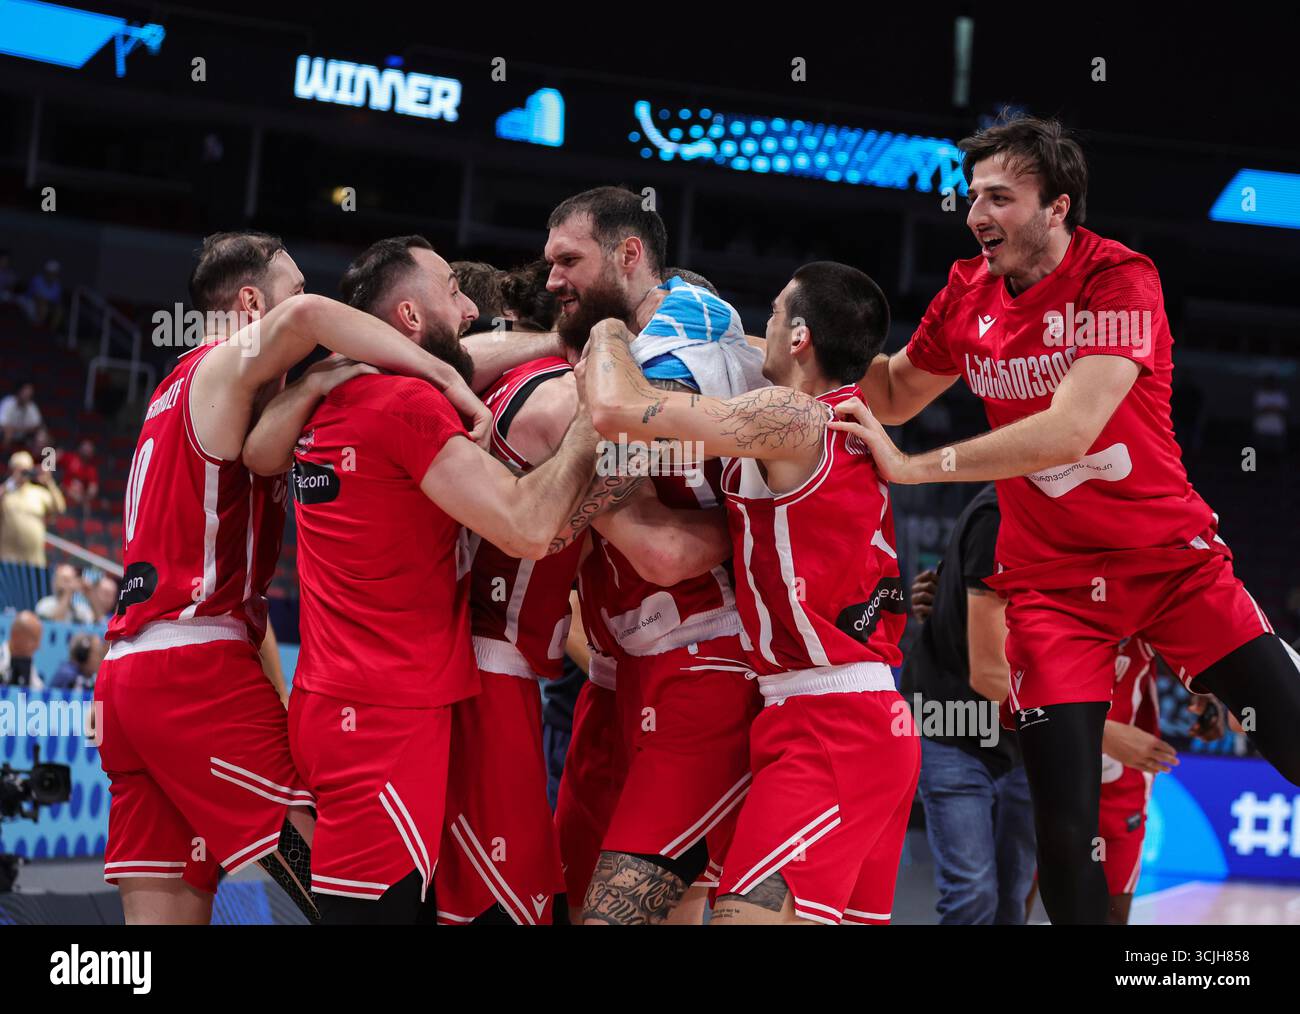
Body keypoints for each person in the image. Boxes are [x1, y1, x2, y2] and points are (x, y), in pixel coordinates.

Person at [847, 112, 1300, 925]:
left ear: (1058, 208)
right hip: (1054, 594)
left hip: (1170, 564)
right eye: (971, 196)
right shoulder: (967, 294)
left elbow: (1073, 426)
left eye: (1000, 197)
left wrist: (917, 467)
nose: (976, 214)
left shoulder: (1119, 279)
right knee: (1064, 830)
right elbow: (892, 393)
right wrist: (768, 360)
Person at [93, 229, 491, 926]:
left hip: (130, 675)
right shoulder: (220, 366)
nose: (314, 305)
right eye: (298, 286)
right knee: (347, 895)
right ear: (253, 303)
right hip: (192, 673)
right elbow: (309, 321)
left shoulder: (171, 390)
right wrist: (446, 376)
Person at [241, 234, 609, 925]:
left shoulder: (321, 404)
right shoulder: (406, 407)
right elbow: (525, 527)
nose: (470, 307)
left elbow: (260, 453)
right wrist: (595, 416)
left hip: (337, 698)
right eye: (453, 290)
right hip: (386, 715)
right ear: (410, 318)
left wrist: (546, 347)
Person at [586, 261, 918, 926]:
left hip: (833, 721)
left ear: (798, 337)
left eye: (768, 316)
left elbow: (616, 410)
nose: (756, 333)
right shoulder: (829, 422)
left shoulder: (790, 415)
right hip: (841, 712)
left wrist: (607, 330)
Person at [546, 187, 765, 924]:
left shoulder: (687, 318)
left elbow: (631, 438)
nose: (552, 280)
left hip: (700, 658)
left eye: (568, 260)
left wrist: (540, 510)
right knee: (570, 902)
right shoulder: (604, 334)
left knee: (617, 914)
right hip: (618, 671)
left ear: (630, 254)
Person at [901, 485, 1037, 925]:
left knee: (1011, 896)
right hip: (955, 726)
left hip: (1023, 739)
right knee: (974, 892)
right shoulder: (1000, 514)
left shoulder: (1063, 520)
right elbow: (988, 673)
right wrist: (1096, 731)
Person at [0, 449, 64, 566]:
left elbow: (60, 508)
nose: (24, 473)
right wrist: (11, 483)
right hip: (8, 559)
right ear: (12, 470)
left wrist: (49, 482)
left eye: (27, 469)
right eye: (20, 469)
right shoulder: (6, 493)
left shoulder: (38, 493)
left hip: (34, 560)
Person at [0, 611, 45, 689]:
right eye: (34, 639)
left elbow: (39, 691)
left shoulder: (27, 664)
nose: (38, 646)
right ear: (15, 635)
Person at [60, 438, 101, 509]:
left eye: (89, 449)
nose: (87, 450)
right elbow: (55, 458)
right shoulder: (69, 458)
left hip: (78, 504)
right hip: (62, 496)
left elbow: (93, 489)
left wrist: (83, 498)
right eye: (85, 447)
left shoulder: (91, 470)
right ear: (80, 448)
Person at [25, 260, 64, 331]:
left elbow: (57, 301)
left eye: (54, 273)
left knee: (59, 310)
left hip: (48, 305)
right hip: (30, 303)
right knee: (43, 306)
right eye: (50, 273)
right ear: (46, 272)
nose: (52, 276)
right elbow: (35, 296)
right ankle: (38, 329)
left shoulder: (57, 285)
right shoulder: (37, 280)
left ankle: (50, 332)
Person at [0, 382, 43, 447]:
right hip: (7, 434)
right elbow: (2, 424)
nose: (27, 395)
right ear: (19, 391)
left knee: (42, 435)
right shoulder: (8, 402)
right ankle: (4, 453)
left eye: (29, 394)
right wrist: (11, 430)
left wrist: (18, 429)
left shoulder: (31, 406)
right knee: (8, 432)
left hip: (24, 435)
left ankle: (37, 456)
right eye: (25, 392)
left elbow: (37, 425)